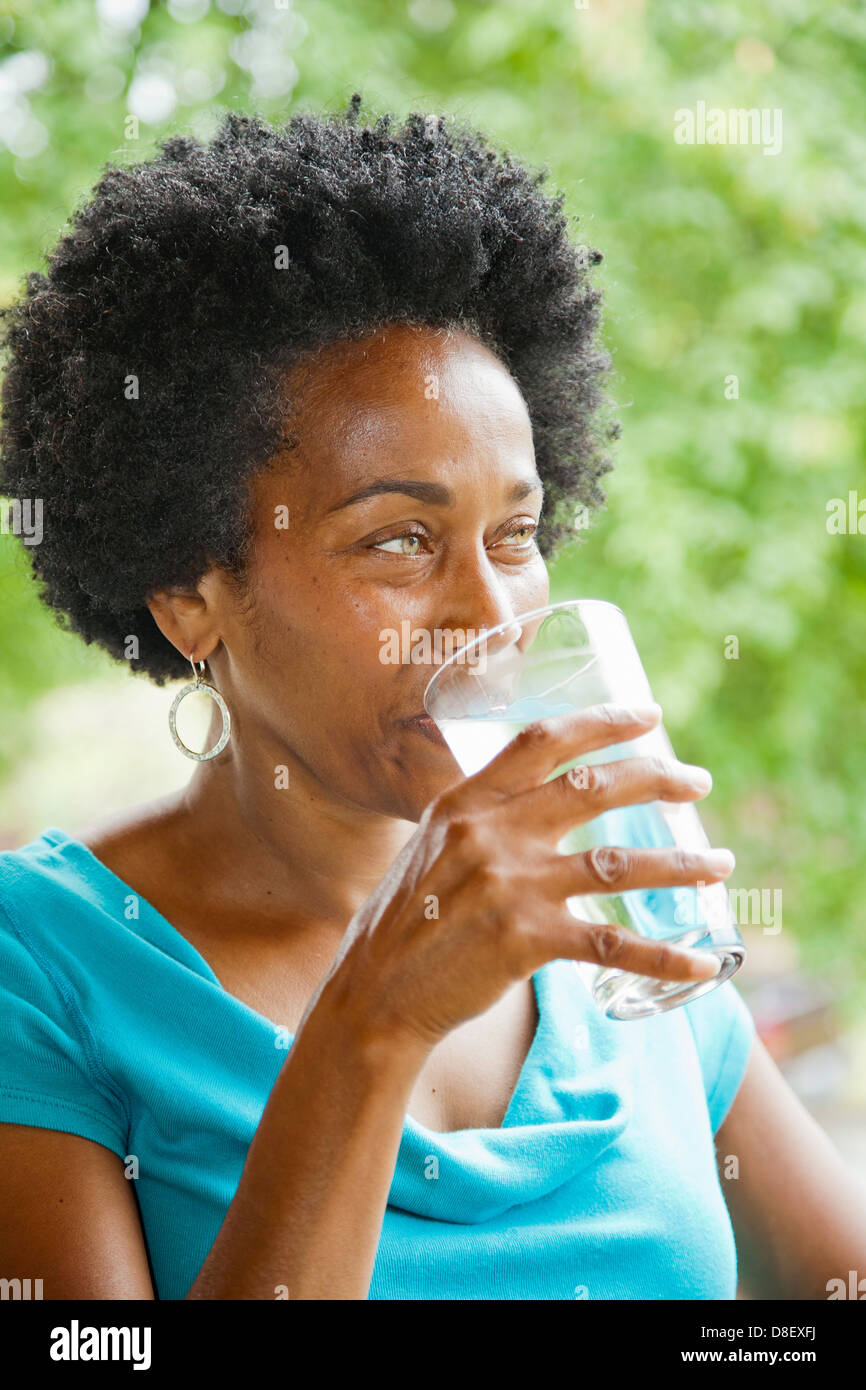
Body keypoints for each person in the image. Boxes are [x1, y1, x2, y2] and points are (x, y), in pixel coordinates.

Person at [0, 98, 863, 1301]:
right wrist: (375, 1023)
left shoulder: (608, 869)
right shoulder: (36, 964)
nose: (491, 614)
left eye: (512, 534)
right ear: (191, 598)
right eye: (399, 541)